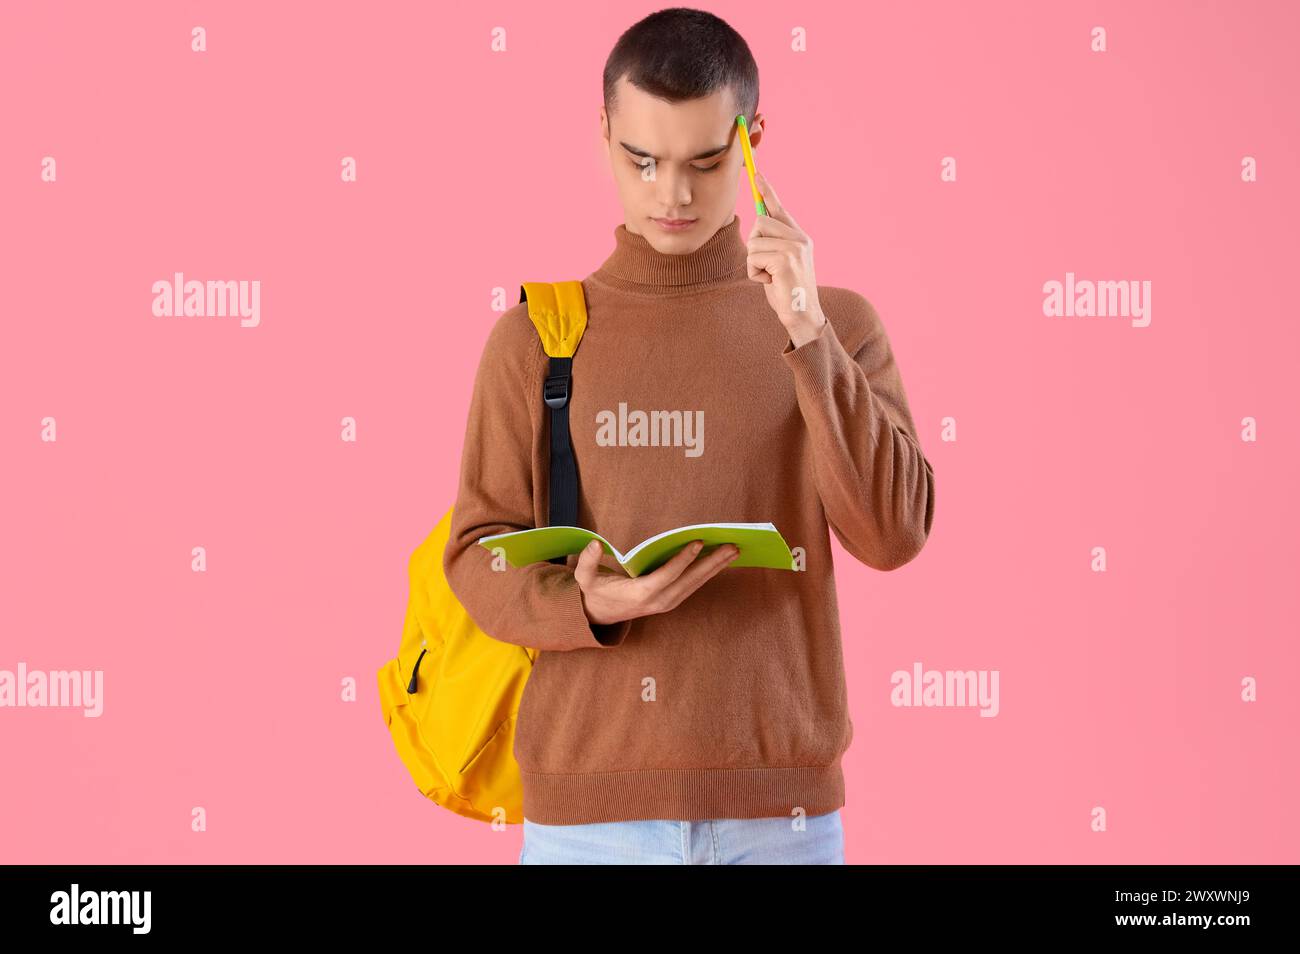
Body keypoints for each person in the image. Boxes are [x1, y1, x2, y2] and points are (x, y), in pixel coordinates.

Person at [442, 7, 936, 864]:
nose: (671, 194)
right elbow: (475, 553)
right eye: (643, 160)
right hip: (585, 823)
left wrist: (807, 334)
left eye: (706, 163)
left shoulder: (836, 325)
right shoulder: (537, 337)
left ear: (752, 141)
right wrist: (587, 604)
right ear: (602, 133)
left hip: (783, 819)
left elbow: (893, 535)